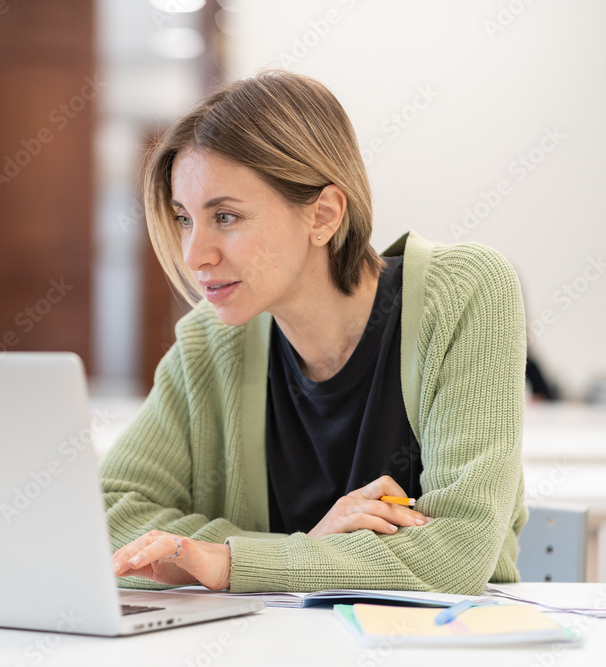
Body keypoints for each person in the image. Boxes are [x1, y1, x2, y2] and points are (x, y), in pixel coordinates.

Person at [102, 70, 527, 595]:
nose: (195, 255)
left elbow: (456, 554)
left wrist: (236, 563)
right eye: (184, 218)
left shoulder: (464, 295)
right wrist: (298, 550)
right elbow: (104, 513)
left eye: (227, 217)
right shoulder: (208, 346)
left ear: (323, 214)